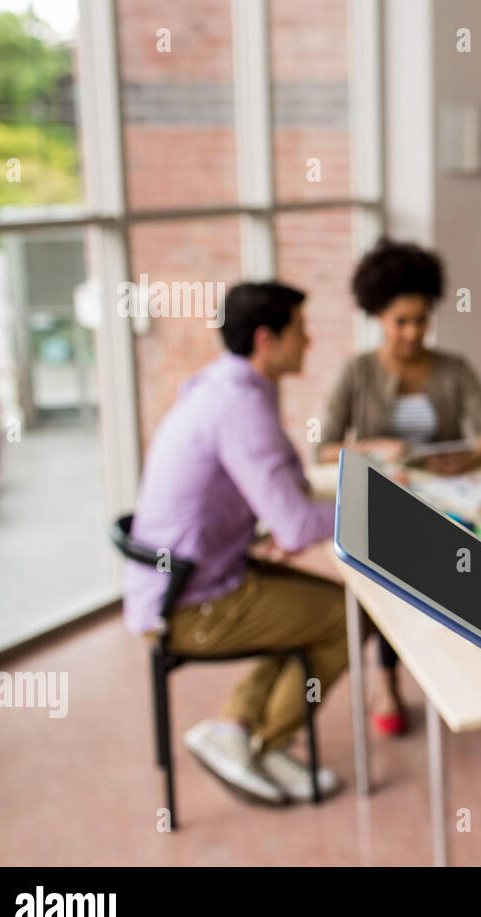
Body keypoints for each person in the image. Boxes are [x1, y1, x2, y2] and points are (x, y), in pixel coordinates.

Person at [124, 282, 346, 805]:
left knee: (315, 611)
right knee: (341, 616)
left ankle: (235, 727)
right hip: (186, 607)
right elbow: (293, 525)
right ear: (267, 339)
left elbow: (282, 494)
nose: (309, 340)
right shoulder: (241, 407)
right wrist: (373, 516)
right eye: (300, 330)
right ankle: (267, 746)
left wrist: (293, 517)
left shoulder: (226, 386)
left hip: (190, 578)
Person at [319, 237, 481, 735]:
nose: (411, 332)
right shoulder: (357, 372)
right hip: (384, 502)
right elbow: (323, 448)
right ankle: (388, 682)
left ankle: (471, 675)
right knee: (389, 587)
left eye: (421, 320)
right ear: (377, 316)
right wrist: (374, 448)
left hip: (448, 496)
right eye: (400, 321)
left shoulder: (453, 368)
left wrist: (468, 454)